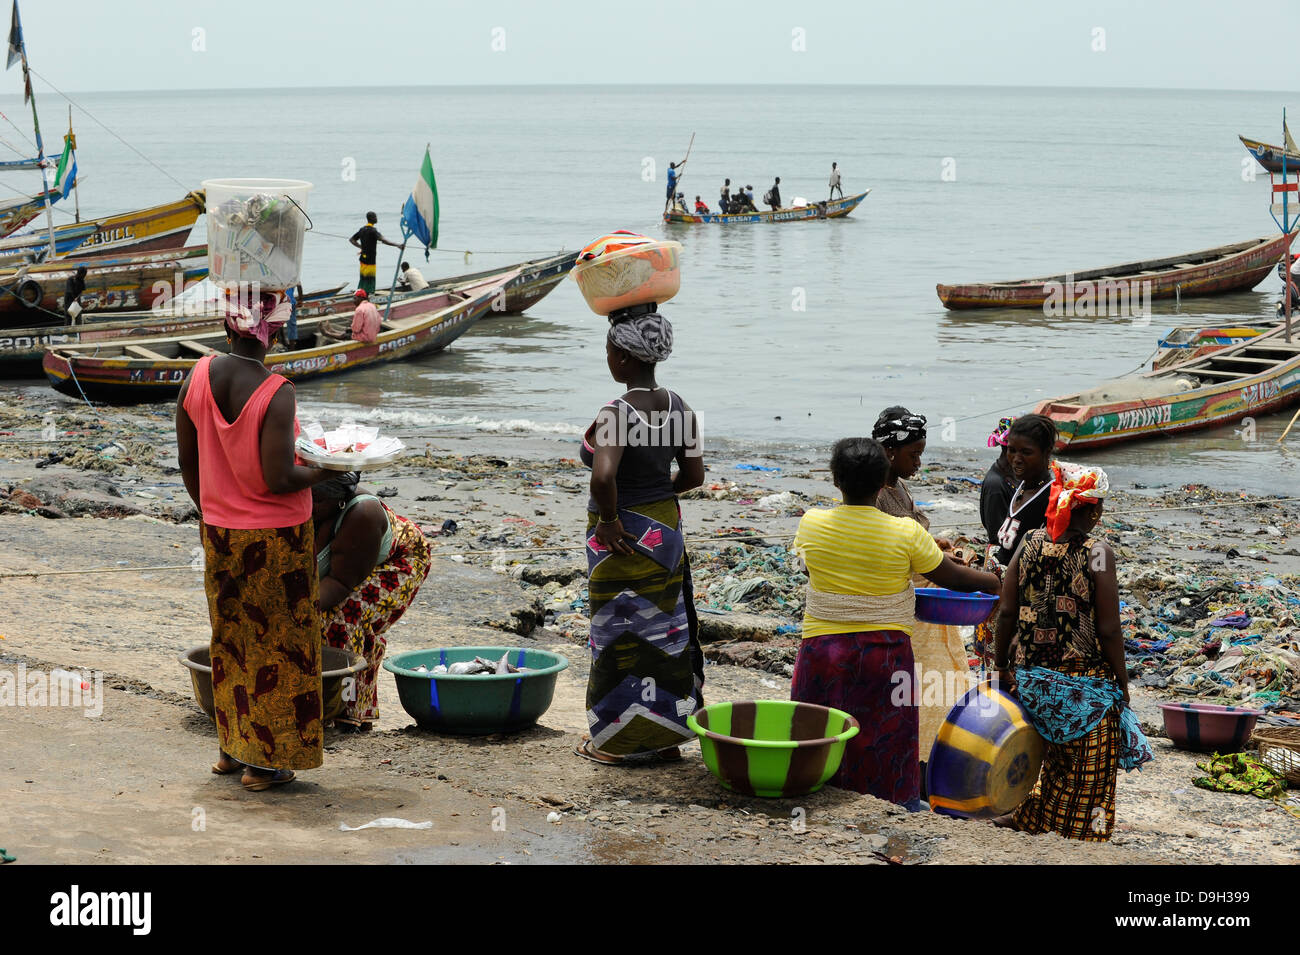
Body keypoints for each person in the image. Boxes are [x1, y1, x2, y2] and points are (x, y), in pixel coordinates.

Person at [175, 288, 335, 792]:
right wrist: (327, 468)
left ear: (228, 326)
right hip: (276, 539)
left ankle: (231, 750)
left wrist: (211, 508)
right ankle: (265, 764)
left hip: (220, 533)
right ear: (278, 330)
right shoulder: (276, 391)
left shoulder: (197, 375)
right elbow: (278, 479)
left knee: (234, 639)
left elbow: (187, 459)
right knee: (281, 649)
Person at [791, 438, 999, 808]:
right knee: (883, 733)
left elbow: (809, 567)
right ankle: (888, 800)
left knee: (821, 726)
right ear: (881, 482)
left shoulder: (812, 522)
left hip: (823, 650)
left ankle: (816, 788)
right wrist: (998, 582)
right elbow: (952, 577)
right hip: (882, 652)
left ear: (836, 479)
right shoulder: (906, 533)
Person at [994, 462, 1151, 841]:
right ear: (1094, 511)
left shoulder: (1030, 542)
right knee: (1089, 772)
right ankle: (1084, 835)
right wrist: (1122, 682)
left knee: (1052, 759)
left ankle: (1037, 819)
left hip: (1032, 680)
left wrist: (1002, 666)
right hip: (1082, 685)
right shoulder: (1097, 553)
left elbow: (1008, 611)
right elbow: (1110, 629)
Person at [575, 307, 705, 764]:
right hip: (664, 529)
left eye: (610, 349)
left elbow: (603, 475)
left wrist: (611, 519)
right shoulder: (681, 407)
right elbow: (693, 476)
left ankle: (616, 744)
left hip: (620, 536)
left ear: (626, 358)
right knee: (665, 631)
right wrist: (656, 500)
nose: (607, 357)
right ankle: (665, 736)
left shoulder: (616, 412)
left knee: (618, 631)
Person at [871, 406, 977, 774]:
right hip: (903, 603)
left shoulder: (898, 487)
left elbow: (913, 538)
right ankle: (914, 759)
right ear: (889, 451)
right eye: (913, 454)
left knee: (927, 681)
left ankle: (926, 755)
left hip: (919, 595)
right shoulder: (876, 496)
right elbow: (890, 550)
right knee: (913, 682)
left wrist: (937, 544)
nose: (918, 462)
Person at [313, 472, 432, 731]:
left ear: (339, 500)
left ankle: (349, 709)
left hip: (401, 560)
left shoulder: (362, 514)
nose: (309, 507)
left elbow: (339, 584)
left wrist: (296, 610)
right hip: (351, 564)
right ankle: (329, 701)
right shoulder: (306, 506)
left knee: (343, 618)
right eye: (305, 498)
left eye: (317, 501)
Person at [992, 414, 1058, 567]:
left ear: (1047, 452)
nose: (1016, 458)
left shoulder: (1051, 497)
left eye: (1026, 452)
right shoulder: (1023, 486)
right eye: (1012, 450)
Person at [349, 211, 400, 296]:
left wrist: (361, 247)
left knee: (363, 277)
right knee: (370, 278)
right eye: (375, 217)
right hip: (370, 259)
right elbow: (384, 240)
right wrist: (397, 245)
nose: (376, 218)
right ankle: (368, 295)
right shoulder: (373, 231)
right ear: (371, 218)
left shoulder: (362, 229)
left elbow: (352, 240)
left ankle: (360, 293)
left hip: (363, 258)